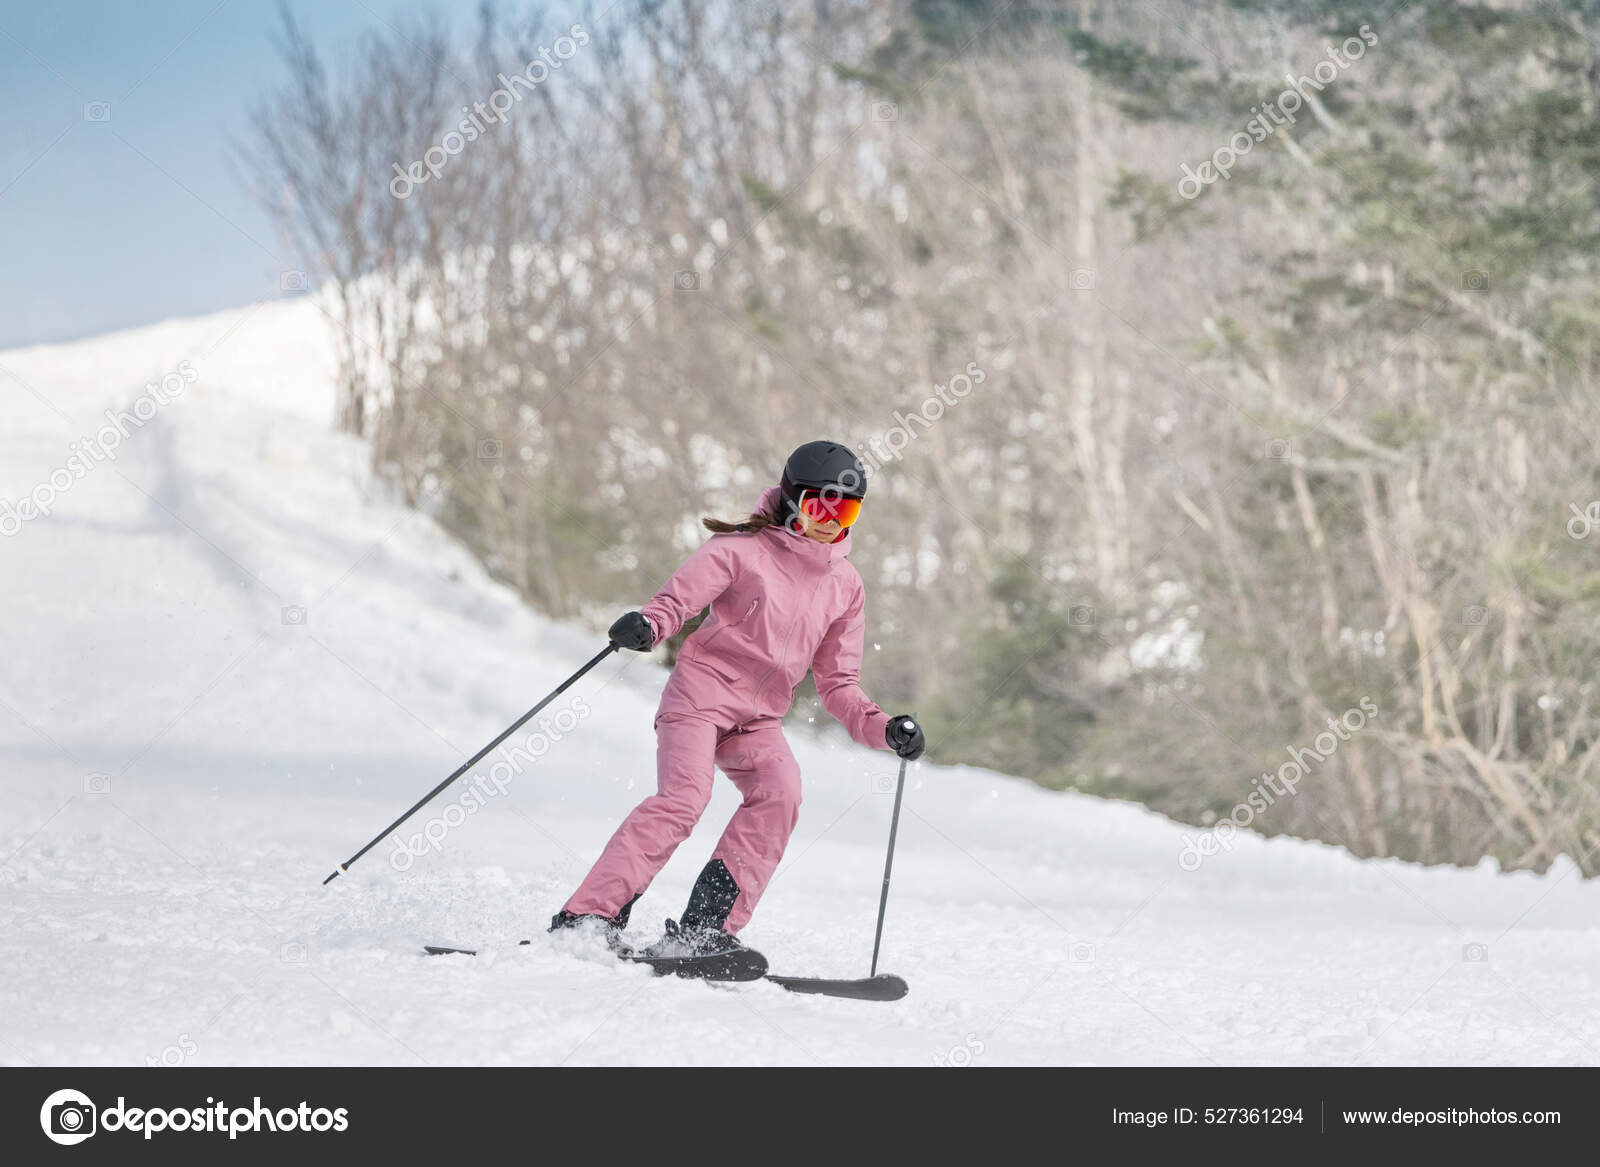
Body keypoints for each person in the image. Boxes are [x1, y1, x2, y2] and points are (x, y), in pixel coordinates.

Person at [552, 440, 925, 958]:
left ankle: (705, 931)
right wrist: (648, 625)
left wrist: (882, 727)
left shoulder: (845, 585)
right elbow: (676, 601)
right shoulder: (740, 551)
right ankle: (587, 918)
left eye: (847, 508)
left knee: (782, 793)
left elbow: (839, 683)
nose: (830, 520)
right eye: (821, 505)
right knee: (684, 799)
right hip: (699, 699)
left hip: (758, 719)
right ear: (794, 500)